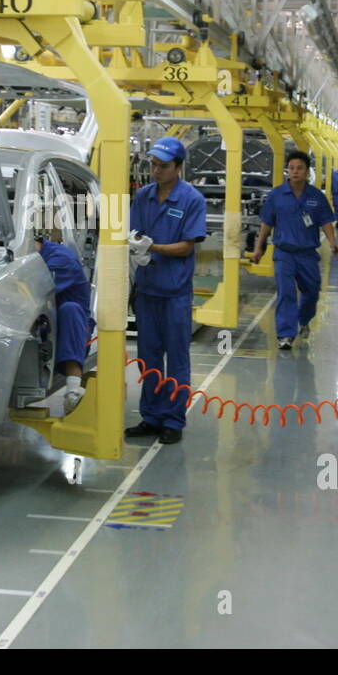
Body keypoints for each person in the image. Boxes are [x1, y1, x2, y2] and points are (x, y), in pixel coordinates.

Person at [124, 136, 208, 445]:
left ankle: (174, 419)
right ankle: (151, 416)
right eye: (153, 165)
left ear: (178, 167)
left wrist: (153, 247)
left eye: (163, 166)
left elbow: (187, 247)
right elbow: (134, 234)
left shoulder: (191, 200)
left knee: (177, 357)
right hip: (147, 291)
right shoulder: (143, 197)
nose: (156, 171)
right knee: (148, 358)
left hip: (175, 293)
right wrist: (135, 248)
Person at [252, 150, 338, 349]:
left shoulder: (316, 196)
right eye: (291, 168)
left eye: (299, 168)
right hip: (283, 253)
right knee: (286, 292)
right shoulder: (277, 195)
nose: (295, 172)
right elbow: (266, 223)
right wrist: (259, 248)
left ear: (307, 171)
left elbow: (326, 221)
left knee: (312, 292)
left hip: (308, 254)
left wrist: (333, 241)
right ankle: (285, 335)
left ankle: (303, 319)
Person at [34, 233, 93, 413]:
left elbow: (33, 292)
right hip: (41, 321)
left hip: (68, 328)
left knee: (70, 308)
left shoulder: (61, 259)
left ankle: (73, 388)